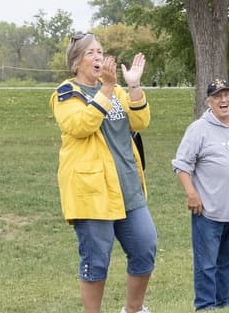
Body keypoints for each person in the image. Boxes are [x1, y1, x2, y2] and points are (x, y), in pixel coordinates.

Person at [50, 33, 154, 313]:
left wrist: (132, 86)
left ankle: (133, 310)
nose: (99, 57)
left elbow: (140, 121)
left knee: (145, 249)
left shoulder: (117, 91)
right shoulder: (66, 94)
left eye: (100, 51)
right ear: (76, 63)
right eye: (91, 53)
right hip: (92, 194)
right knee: (96, 262)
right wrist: (106, 89)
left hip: (128, 187)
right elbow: (80, 126)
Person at [172, 79, 229, 311]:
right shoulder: (199, 129)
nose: (224, 100)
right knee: (207, 264)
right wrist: (191, 194)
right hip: (208, 210)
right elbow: (181, 165)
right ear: (209, 101)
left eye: (227, 94)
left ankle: (222, 303)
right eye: (217, 96)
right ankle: (206, 306)